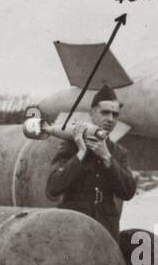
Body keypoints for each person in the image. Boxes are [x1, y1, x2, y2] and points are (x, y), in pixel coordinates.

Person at [45, 84, 136, 239]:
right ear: (92, 114)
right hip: (74, 225)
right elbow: (53, 188)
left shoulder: (118, 153)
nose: (110, 119)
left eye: (115, 115)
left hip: (106, 226)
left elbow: (128, 192)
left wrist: (107, 158)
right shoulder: (71, 146)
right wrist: (81, 153)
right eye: (105, 113)